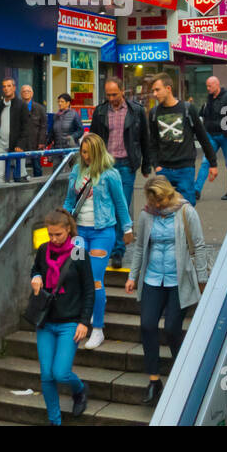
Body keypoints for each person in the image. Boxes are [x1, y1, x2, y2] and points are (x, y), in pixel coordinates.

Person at [124, 175, 208, 405]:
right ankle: (154, 380)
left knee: (172, 328)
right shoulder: (146, 214)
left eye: (160, 200)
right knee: (147, 325)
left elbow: (199, 246)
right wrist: (133, 276)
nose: (157, 206)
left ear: (168, 194)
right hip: (152, 277)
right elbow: (141, 247)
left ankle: (183, 373)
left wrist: (203, 280)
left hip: (178, 279)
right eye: (153, 202)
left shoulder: (186, 212)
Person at [64, 133, 132, 350]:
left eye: (89, 153)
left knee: (95, 279)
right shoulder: (76, 171)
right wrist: (64, 223)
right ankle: (83, 317)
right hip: (79, 233)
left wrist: (128, 227)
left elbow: (121, 204)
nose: (85, 157)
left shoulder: (110, 174)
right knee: (75, 274)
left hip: (103, 232)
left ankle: (98, 329)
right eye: (83, 152)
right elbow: (69, 200)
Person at [29, 208, 93, 425]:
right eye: (50, 234)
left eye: (58, 234)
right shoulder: (43, 249)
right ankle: (54, 421)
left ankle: (80, 389)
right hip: (46, 321)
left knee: (61, 373)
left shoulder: (77, 252)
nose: (54, 239)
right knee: (46, 375)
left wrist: (84, 322)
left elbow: (89, 290)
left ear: (68, 230)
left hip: (70, 322)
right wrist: (36, 277)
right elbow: (35, 269)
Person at [88, 79, 152, 267]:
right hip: (105, 166)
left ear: (123, 91)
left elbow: (144, 139)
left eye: (115, 94)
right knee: (103, 206)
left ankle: (117, 251)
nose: (111, 98)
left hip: (126, 165)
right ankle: (106, 246)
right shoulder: (100, 112)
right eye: (108, 95)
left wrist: (147, 164)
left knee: (120, 206)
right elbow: (93, 138)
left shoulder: (136, 111)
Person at [148, 73, 218, 206]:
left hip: (185, 169)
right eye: (153, 91)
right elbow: (152, 143)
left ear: (168, 89)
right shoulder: (154, 113)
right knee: (163, 209)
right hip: (163, 170)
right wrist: (156, 165)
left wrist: (213, 164)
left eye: (157, 90)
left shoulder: (187, 109)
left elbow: (203, 137)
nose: (155, 94)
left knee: (186, 208)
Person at [196, 76, 227, 200]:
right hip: (212, 136)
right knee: (205, 162)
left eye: (210, 86)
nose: (208, 88)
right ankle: (196, 190)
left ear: (216, 84)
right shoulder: (209, 99)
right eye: (207, 86)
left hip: (225, 136)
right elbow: (205, 114)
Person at [0, 77, 27, 183]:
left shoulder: (21, 105)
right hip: (1, 144)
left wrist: (20, 144)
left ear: (14, 88)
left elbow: (25, 127)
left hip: (17, 145)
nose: (6, 88)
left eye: (9, 86)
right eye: (4, 86)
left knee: (19, 175)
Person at [19, 84, 47, 177]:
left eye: (28, 91)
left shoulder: (40, 108)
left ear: (32, 94)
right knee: (19, 166)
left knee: (37, 166)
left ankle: (39, 185)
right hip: (21, 142)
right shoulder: (17, 108)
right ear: (20, 94)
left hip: (35, 142)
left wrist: (41, 142)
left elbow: (43, 126)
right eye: (24, 91)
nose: (26, 93)